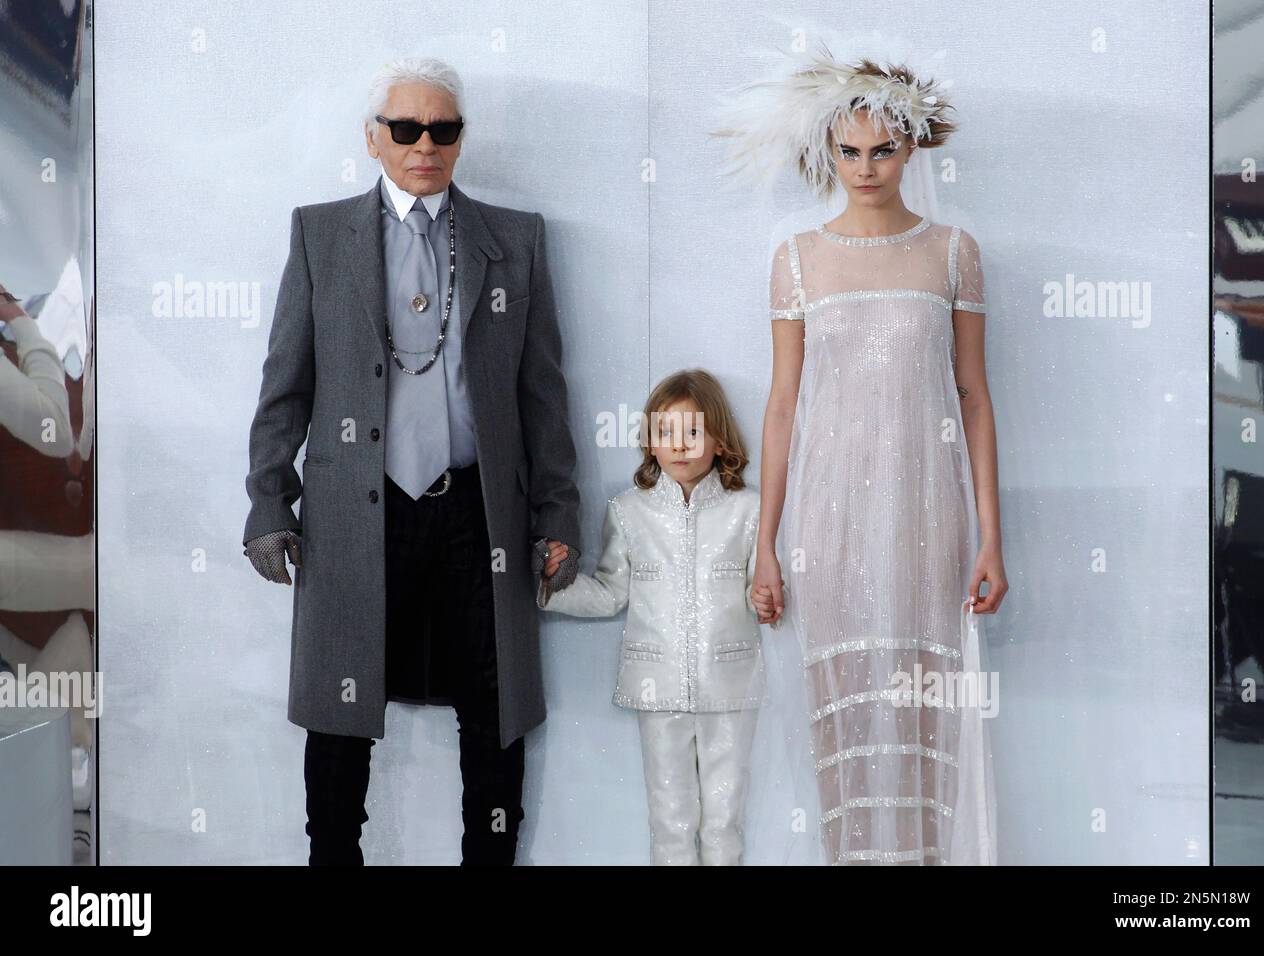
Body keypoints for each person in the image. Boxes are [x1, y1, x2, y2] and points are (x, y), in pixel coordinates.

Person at [242, 57, 581, 865]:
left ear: (460, 139)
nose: (424, 144)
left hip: (479, 509)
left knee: (492, 704)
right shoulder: (320, 234)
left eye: (443, 129)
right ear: (373, 139)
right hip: (357, 507)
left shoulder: (515, 239)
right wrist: (266, 502)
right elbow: (285, 384)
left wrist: (558, 513)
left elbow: (543, 394)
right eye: (405, 129)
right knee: (339, 707)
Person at [720, 47, 1006, 865]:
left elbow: (976, 399)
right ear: (826, 152)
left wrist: (991, 536)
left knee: (925, 712)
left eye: (882, 149)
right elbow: (782, 408)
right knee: (842, 714)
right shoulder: (797, 260)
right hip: (829, 517)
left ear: (911, 147)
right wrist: (765, 546)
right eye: (849, 151)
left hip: (931, 514)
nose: (866, 167)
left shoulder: (954, 252)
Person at [538, 369, 767, 864]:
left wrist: (766, 598)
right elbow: (608, 593)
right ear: (649, 442)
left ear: (719, 440)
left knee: (725, 820)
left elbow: (755, 592)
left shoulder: (748, 511)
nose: (679, 445)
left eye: (692, 432)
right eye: (665, 433)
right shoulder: (628, 512)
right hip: (657, 686)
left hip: (730, 684)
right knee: (670, 819)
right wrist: (547, 588)